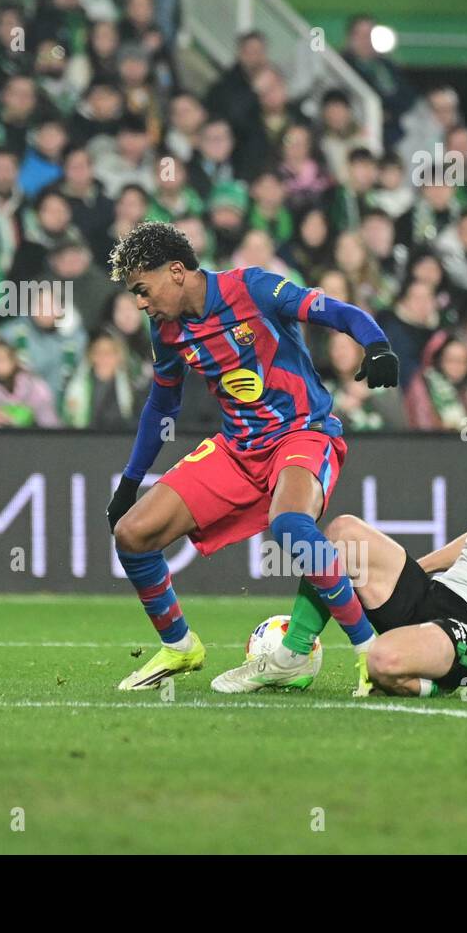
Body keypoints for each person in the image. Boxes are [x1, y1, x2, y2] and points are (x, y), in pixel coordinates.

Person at [104, 221, 399, 696]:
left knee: (290, 525)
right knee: (132, 534)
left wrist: (378, 344)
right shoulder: (166, 329)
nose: (141, 302)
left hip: (303, 433)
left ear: (176, 272)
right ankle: (180, 646)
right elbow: (163, 405)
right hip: (238, 449)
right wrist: (129, 483)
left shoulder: (253, 288)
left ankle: (369, 654)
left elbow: (332, 310)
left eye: (143, 289)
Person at [242, 361, 467, 700]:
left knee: (380, 659)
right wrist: (414, 571)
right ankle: (293, 656)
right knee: (342, 533)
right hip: (438, 593)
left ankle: (434, 684)